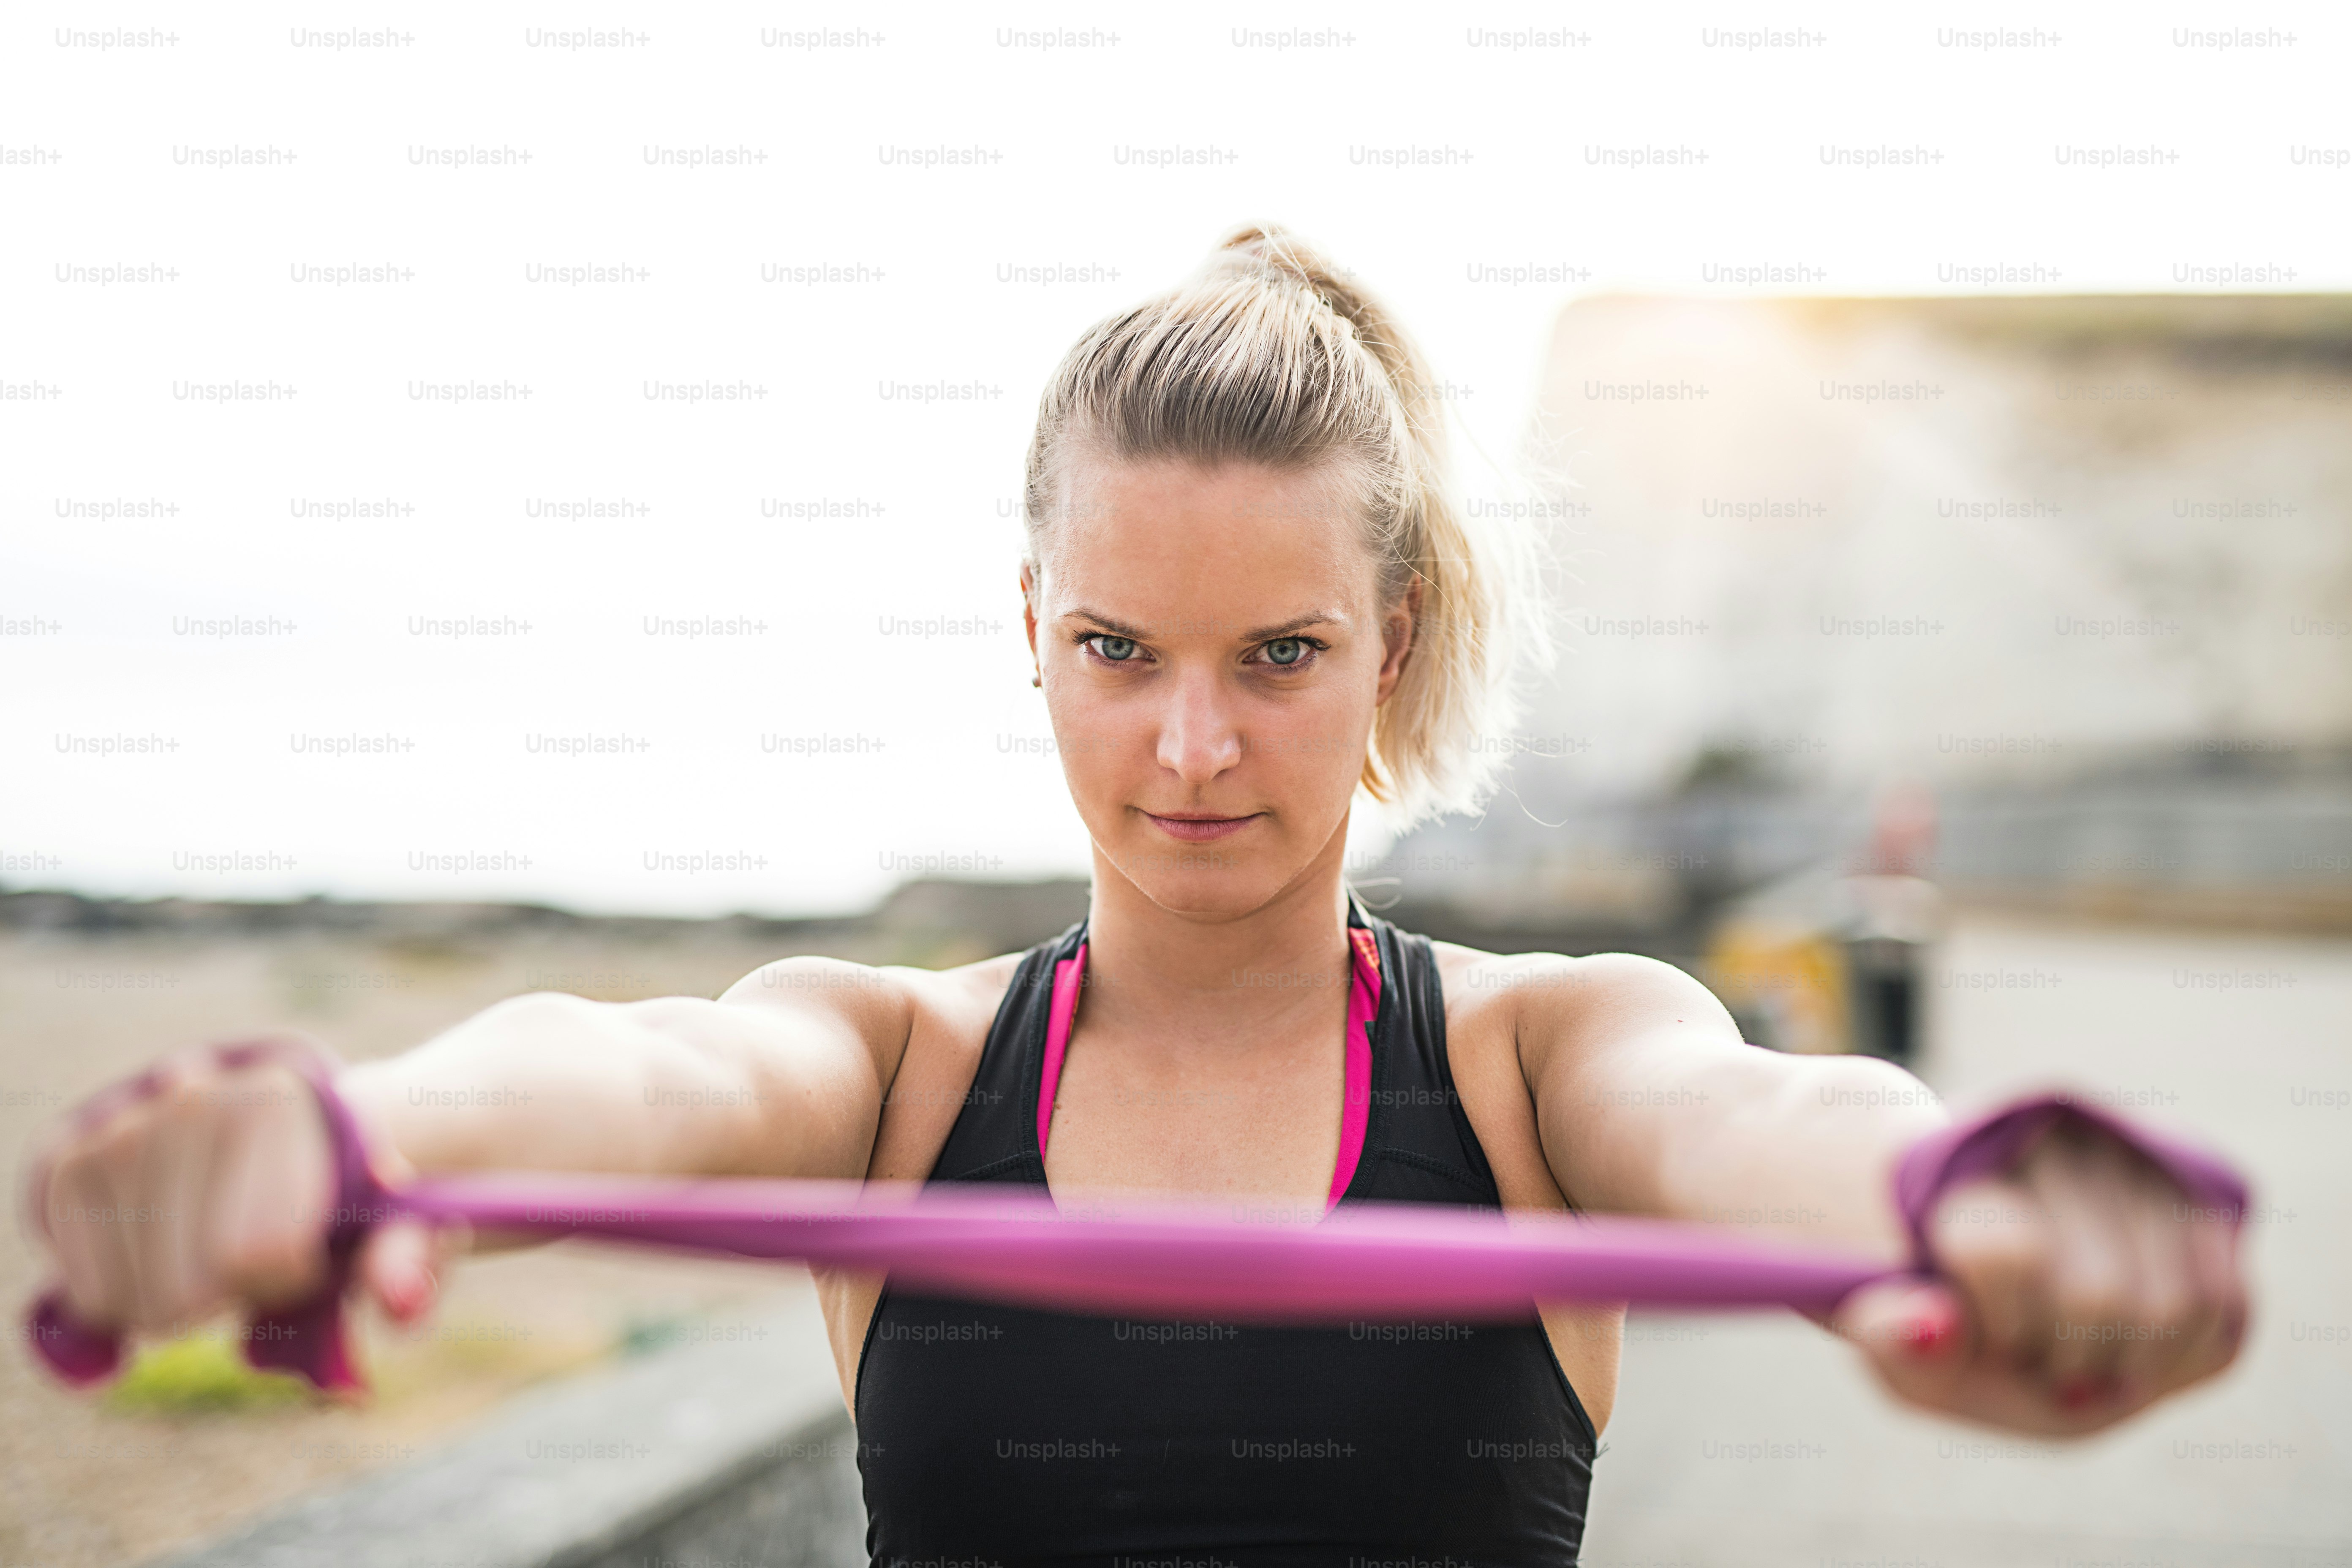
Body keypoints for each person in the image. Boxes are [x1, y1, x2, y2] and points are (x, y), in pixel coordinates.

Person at [25, 227, 2246, 1563]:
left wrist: (1965, 1185)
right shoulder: (893, 1062)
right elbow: (647, 1070)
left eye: (1277, 655)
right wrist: (365, 1135)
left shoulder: (1544, 1055)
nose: (1191, 748)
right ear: (1028, 629)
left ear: (1389, 644)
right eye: (1120, 652)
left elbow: (1772, 1122)